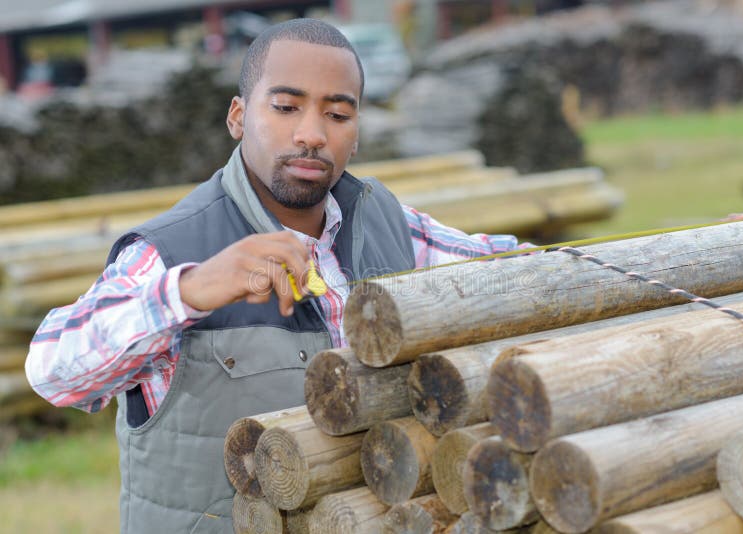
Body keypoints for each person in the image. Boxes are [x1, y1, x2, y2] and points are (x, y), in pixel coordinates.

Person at [25, 19, 528, 533]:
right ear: (238, 117)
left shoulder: (392, 226)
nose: (311, 134)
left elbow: (517, 272)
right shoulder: (168, 252)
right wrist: (189, 291)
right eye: (286, 108)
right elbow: (51, 371)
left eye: (336, 113)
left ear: (355, 134)